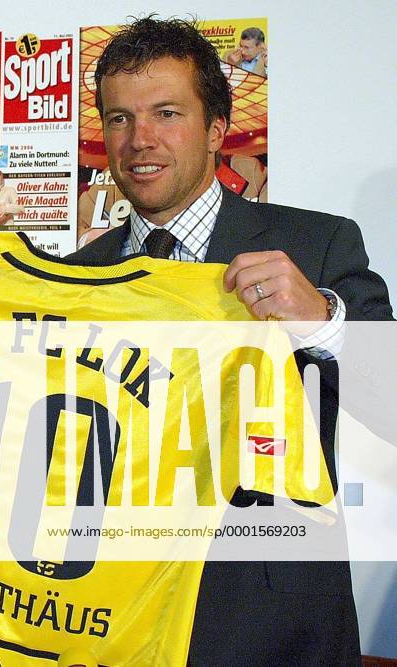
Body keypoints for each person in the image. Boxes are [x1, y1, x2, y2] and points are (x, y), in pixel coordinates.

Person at [65, 16, 392, 665]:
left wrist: (322, 319)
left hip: (271, 628)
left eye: (165, 112)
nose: (140, 139)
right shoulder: (76, 277)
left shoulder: (316, 245)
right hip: (111, 622)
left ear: (217, 129)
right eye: (120, 118)